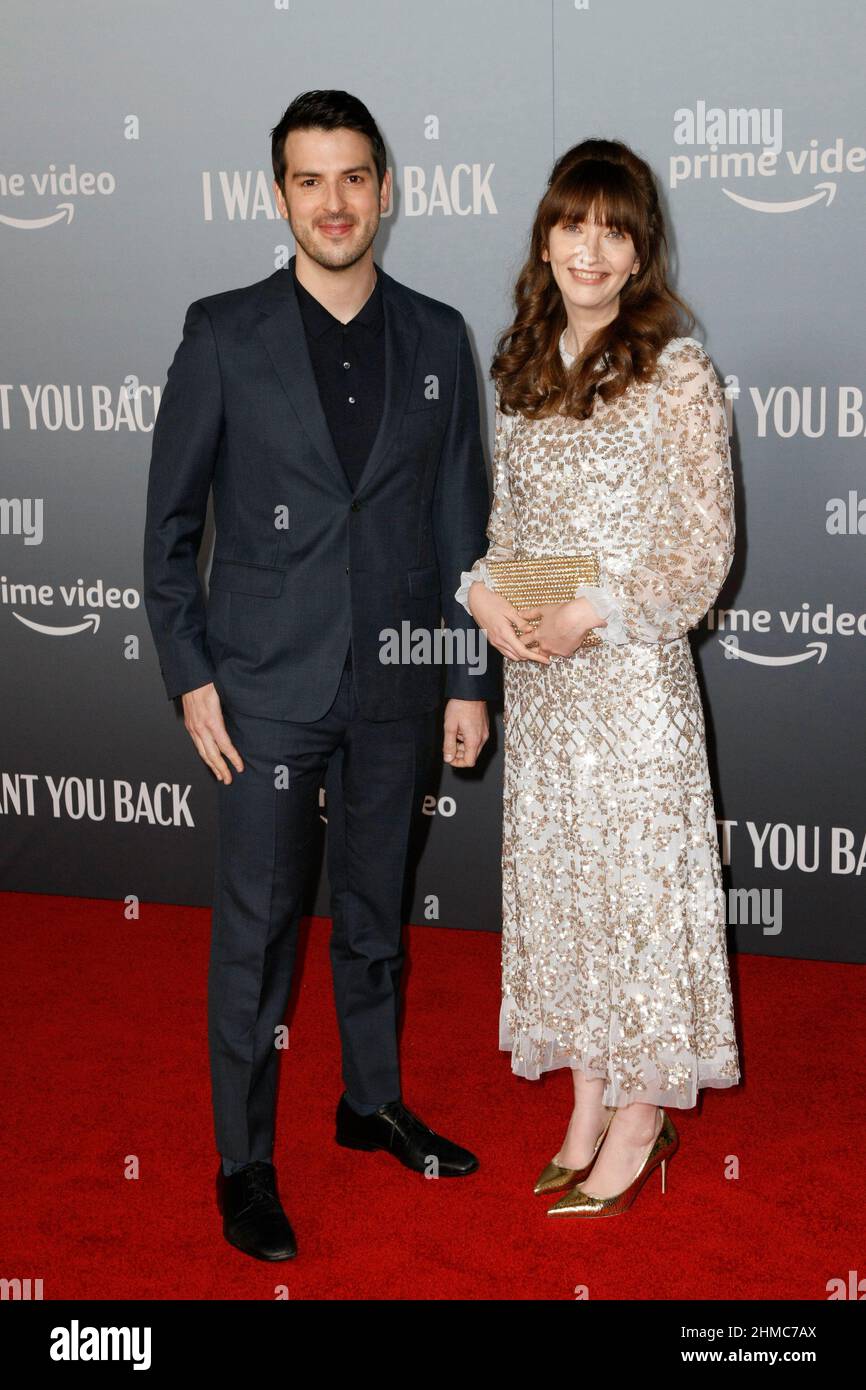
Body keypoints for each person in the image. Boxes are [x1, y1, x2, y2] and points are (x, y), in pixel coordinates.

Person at [143, 89, 501, 1261]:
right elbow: (169, 529)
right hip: (261, 689)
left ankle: (369, 1101)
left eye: (354, 177)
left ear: (387, 191)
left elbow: (459, 523)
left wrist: (463, 679)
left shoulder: (439, 336)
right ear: (279, 195)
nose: (334, 201)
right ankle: (244, 1164)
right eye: (310, 179)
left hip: (398, 683)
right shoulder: (222, 334)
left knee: (373, 916)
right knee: (254, 933)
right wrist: (192, 671)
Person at [456, 137, 741, 1218]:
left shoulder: (674, 370)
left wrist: (595, 611)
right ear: (544, 236)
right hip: (541, 685)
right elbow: (507, 532)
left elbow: (700, 551)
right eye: (571, 224)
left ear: (637, 252)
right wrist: (480, 595)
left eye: (611, 229)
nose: (588, 247)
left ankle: (641, 1113)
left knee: (633, 895)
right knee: (565, 895)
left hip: (627, 682)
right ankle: (586, 1094)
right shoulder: (518, 368)